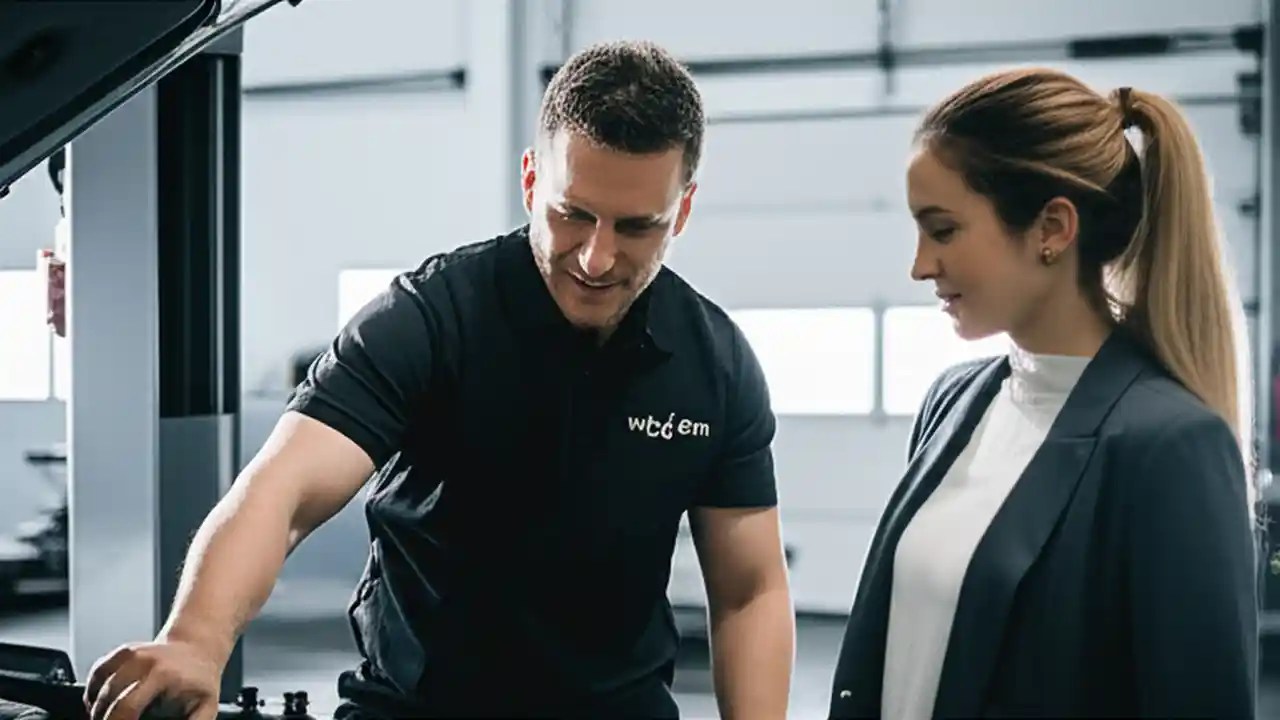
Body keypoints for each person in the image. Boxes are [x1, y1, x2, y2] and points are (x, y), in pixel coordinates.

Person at [75, 40, 795, 720]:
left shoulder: (717, 363)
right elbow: (284, 491)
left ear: (684, 212)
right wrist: (197, 640)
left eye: (636, 227)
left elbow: (748, 591)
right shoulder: (431, 318)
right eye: (573, 215)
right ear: (530, 180)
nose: (596, 258)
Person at [829, 68, 1261, 719]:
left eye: (942, 229)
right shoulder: (955, 402)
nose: (919, 264)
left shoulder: (1170, 447)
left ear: (1052, 229)